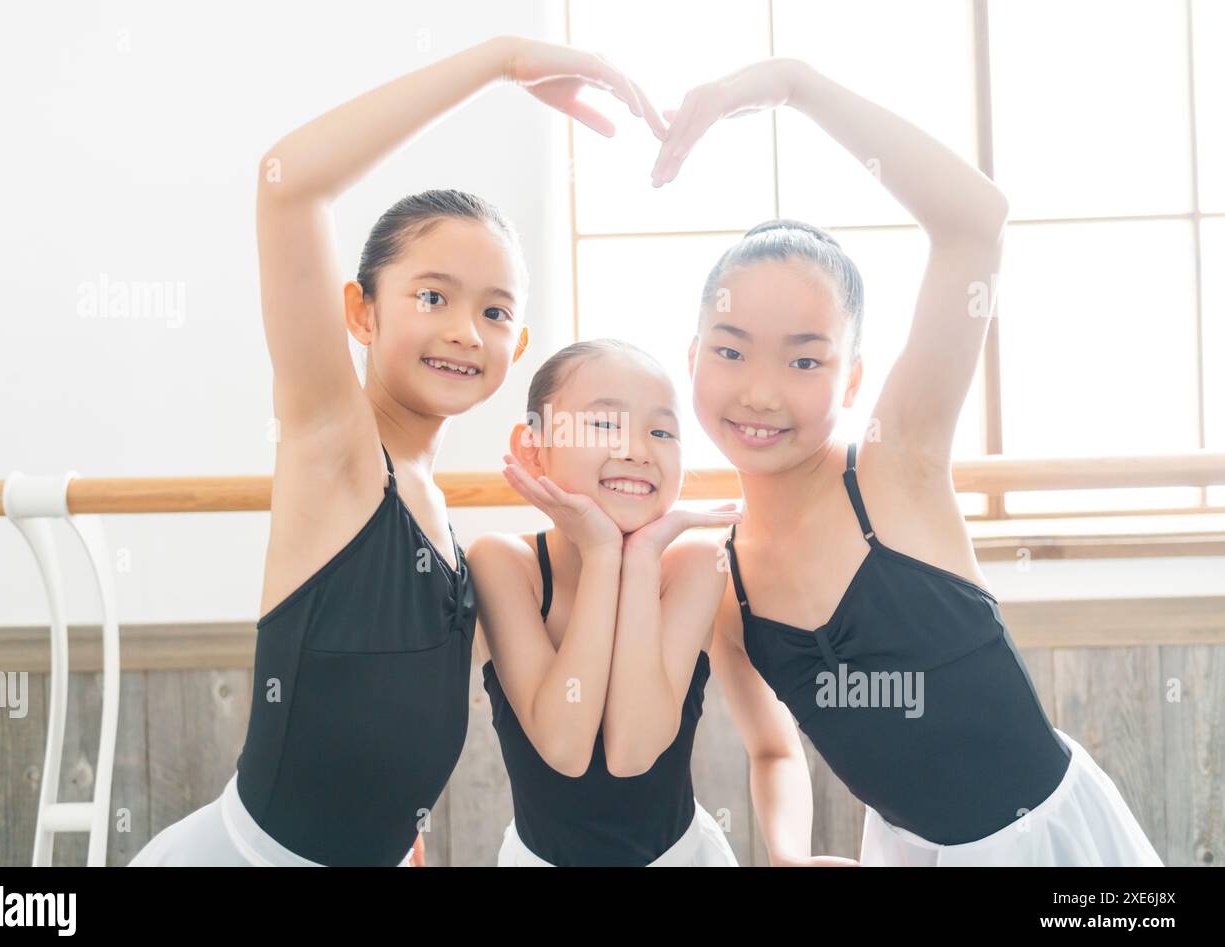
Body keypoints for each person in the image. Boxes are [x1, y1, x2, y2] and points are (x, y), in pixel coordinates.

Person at [130, 34, 662, 866]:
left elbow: (392, 718)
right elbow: (287, 185)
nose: (463, 329)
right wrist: (499, 61)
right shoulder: (334, 448)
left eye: (494, 312)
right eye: (431, 295)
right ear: (361, 312)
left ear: (516, 345)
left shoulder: (436, 508)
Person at [656, 56, 1163, 866]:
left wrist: (794, 84)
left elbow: (976, 220)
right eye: (731, 351)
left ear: (852, 378)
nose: (760, 392)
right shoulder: (725, 583)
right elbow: (773, 750)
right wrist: (786, 856)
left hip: (1052, 850)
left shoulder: (898, 469)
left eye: (804, 361)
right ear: (692, 360)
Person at [469, 339, 742, 865]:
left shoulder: (695, 562)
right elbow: (565, 748)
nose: (639, 450)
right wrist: (600, 555)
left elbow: (633, 751)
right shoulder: (503, 563)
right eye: (606, 425)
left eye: (662, 431)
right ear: (533, 448)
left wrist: (638, 561)